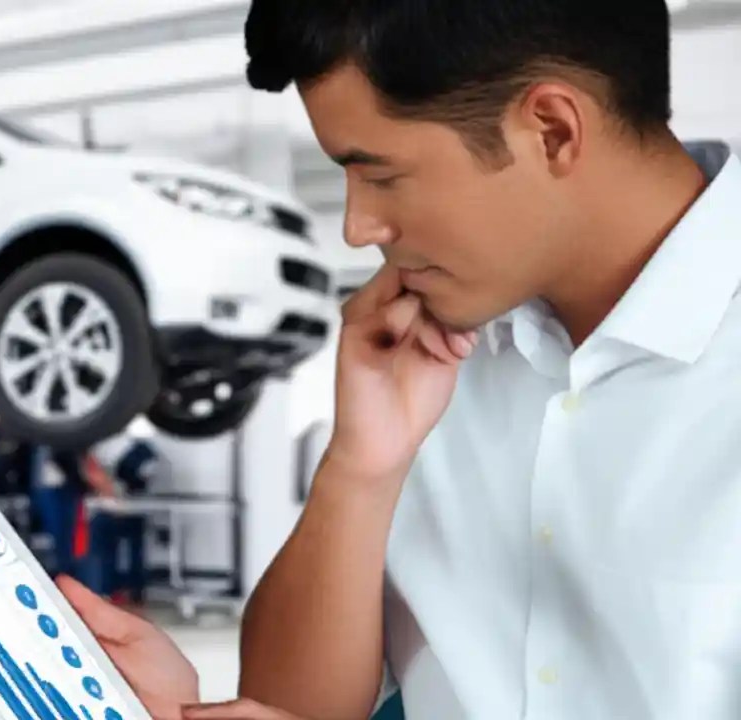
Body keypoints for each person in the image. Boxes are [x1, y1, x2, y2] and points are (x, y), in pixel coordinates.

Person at [56, 1, 741, 718]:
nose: (358, 228)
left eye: (379, 175)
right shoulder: (435, 353)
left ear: (552, 130)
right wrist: (359, 469)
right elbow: (290, 707)